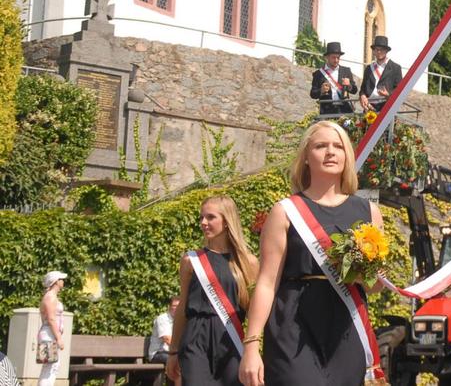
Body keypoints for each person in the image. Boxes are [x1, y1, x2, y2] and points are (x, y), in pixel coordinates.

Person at [238, 121, 385, 386]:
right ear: (306, 157)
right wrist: (251, 345)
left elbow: (372, 289)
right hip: (292, 326)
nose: (330, 152)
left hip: (345, 327)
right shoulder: (284, 211)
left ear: (347, 155)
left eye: (338, 146)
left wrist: (376, 277)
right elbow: (267, 282)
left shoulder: (369, 212)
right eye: (321, 146)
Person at [167, 196, 259, 385]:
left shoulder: (248, 262)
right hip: (195, 337)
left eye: (210, 217)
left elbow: (254, 309)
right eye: (201, 217)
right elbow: (183, 308)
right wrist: (173, 351)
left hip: (231, 338)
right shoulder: (191, 261)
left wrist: (254, 347)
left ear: (227, 221)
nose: (203, 223)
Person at [37, 270, 68, 386]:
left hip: (49, 334)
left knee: (52, 366)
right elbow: (51, 319)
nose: (63, 282)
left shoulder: (51, 296)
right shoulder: (50, 297)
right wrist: (59, 338)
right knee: (50, 366)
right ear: (56, 282)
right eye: (61, 279)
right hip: (49, 335)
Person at [310, 42, 358, 115]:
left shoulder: (346, 71)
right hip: (326, 111)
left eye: (338, 57)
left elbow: (354, 90)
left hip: (344, 110)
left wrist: (349, 85)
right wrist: (321, 91)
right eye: (333, 57)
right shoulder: (318, 74)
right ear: (327, 57)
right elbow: (313, 94)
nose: (336, 60)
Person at [359, 36, 402, 112]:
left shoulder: (395, 68)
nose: (379, 52)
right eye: (377, 49)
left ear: (386, 51)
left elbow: (399, 89)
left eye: (382, 50)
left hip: (386, 105)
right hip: (370, 106)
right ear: (374, 51)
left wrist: (388, 94)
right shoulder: (369, 68)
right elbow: (363, 89)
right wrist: (362, 95)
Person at [147, 296, 180, 364]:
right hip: (158, 353)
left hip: (172, 353)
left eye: (179, 306)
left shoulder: (180, 320)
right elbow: (167, 339)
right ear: (169, 307)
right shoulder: (162, 319)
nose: (177, 308)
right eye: (174, 306)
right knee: (179, 361)